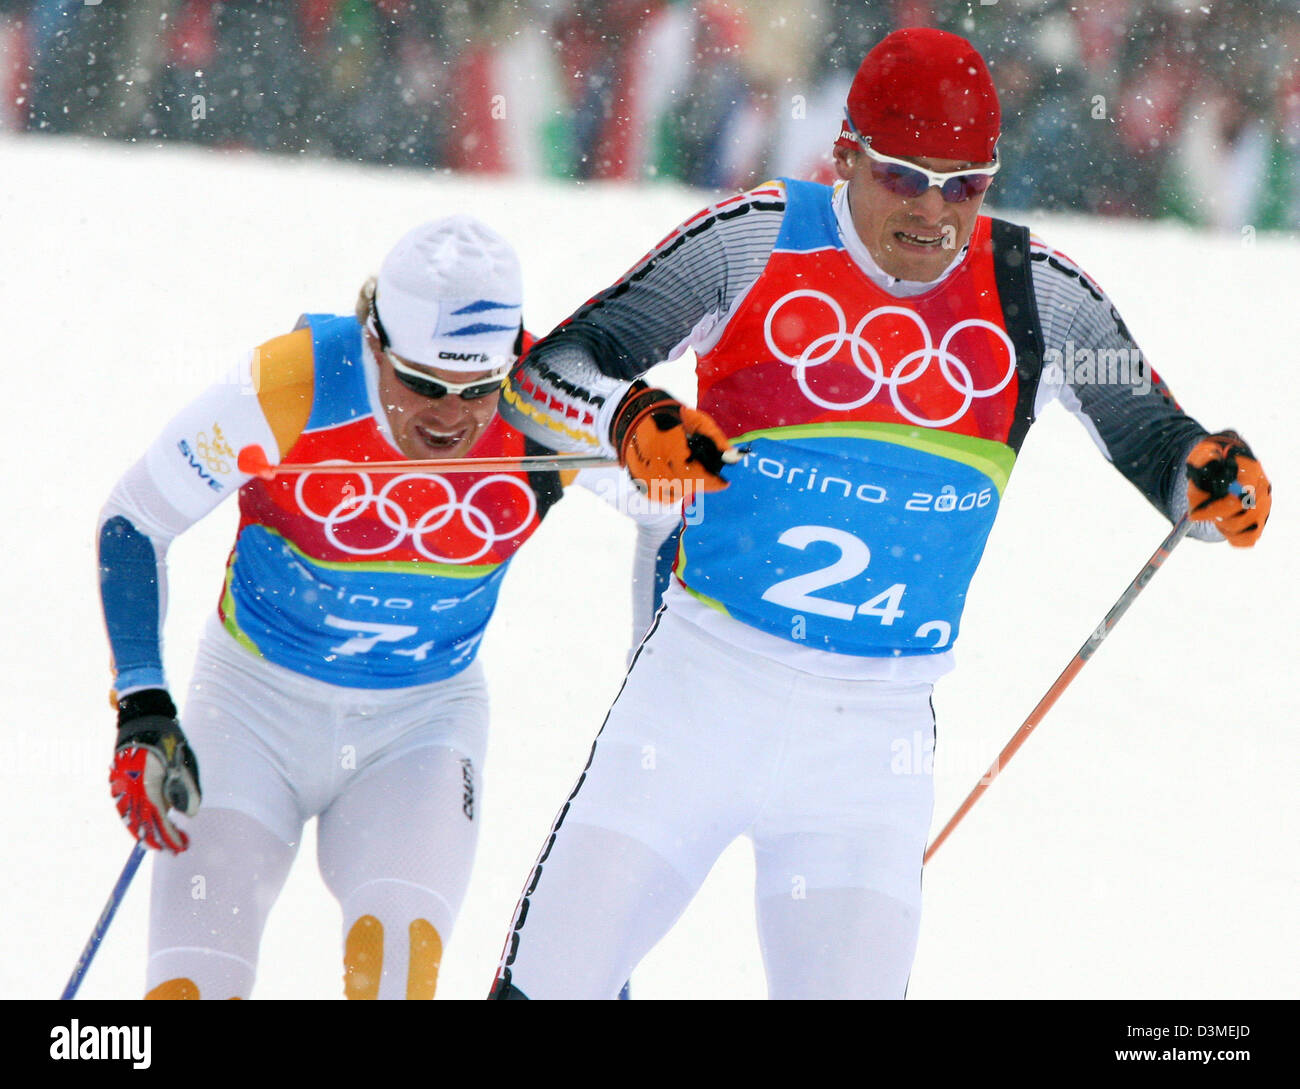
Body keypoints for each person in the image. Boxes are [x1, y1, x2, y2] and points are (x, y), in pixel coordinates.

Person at [488, 28, 1273, 1000]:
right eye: (905, 176)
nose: (935, 211)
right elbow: (547, 376)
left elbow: (1157, 442)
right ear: (847, 154)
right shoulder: (754, 240)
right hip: (699, 700)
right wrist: (631, 418)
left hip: (870, 748)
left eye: (966, 184)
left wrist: (1209, 480)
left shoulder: (1037, 293)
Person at [98, 214, 672, 1000]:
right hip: (249, 709)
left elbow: (678, 509)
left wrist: (658, 691)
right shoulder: (291, 385)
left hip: (420, 727)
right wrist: (142, 703)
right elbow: (135, 520)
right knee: (192, 985)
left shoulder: (554, 399)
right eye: (424, 384)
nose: (451, 415)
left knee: (396, 971)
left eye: (478, 389)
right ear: (374, 343)